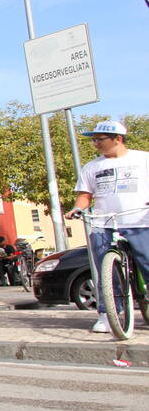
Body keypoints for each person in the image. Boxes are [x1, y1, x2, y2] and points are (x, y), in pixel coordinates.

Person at [66, 120, 149, 334]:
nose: (95, 144)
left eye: (99, 139)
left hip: (140, 221)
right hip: (104, 224)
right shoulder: (92, 167)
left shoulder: (143, 159)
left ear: (118, 139)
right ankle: (107, 314)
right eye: (93, 140)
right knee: (106, 271)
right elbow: (85, 196)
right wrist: (77, 209)